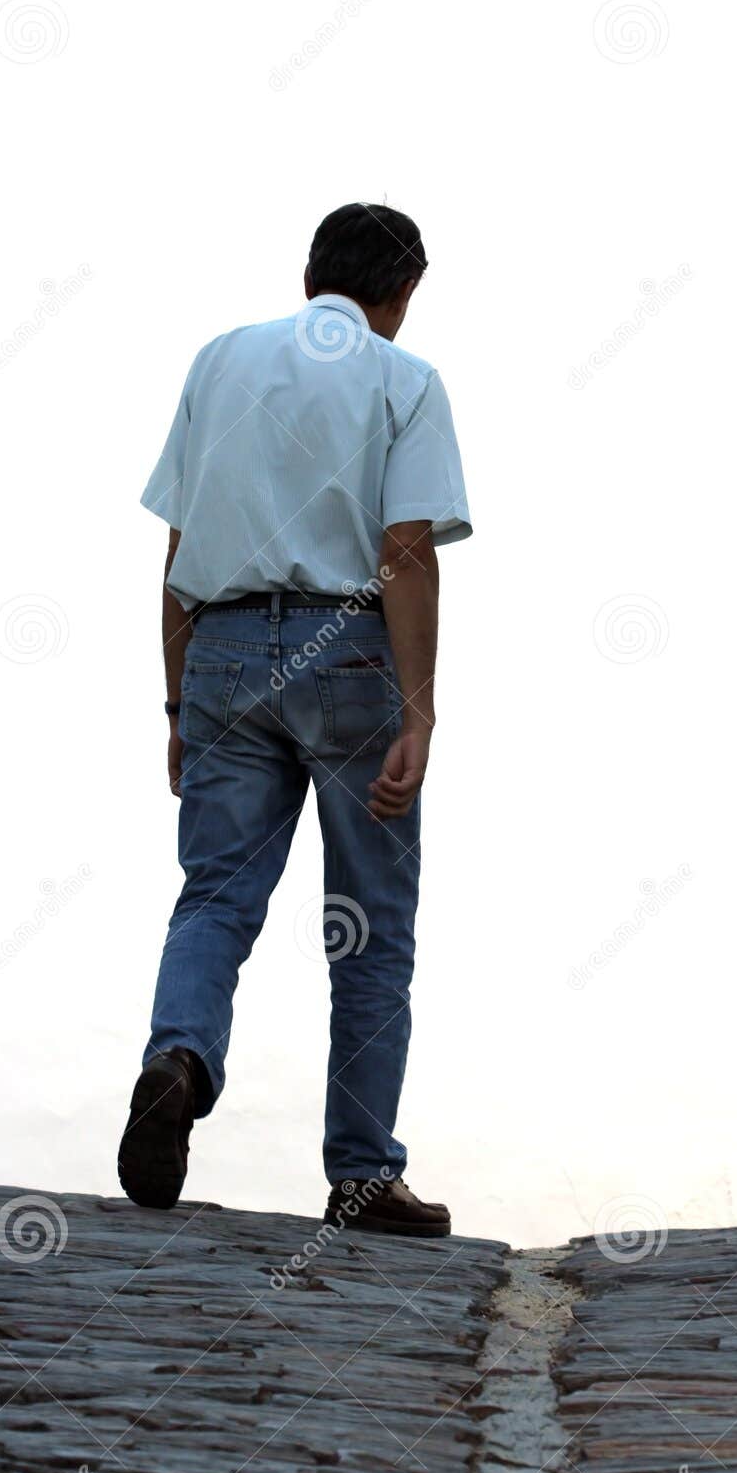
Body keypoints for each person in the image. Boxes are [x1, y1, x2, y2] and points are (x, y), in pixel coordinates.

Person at [116, 203, 471, 1238]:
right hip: (348, 655)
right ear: (401, 293)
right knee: (368, 930)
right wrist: (419, 711)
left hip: (221, 648)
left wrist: (180, 699)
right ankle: (361, 1173)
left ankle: (175, 1057)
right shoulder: (402, 380)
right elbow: (404, 550)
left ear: (310, 270)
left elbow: (179, 541)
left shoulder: (220, 360)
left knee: (214, 896)